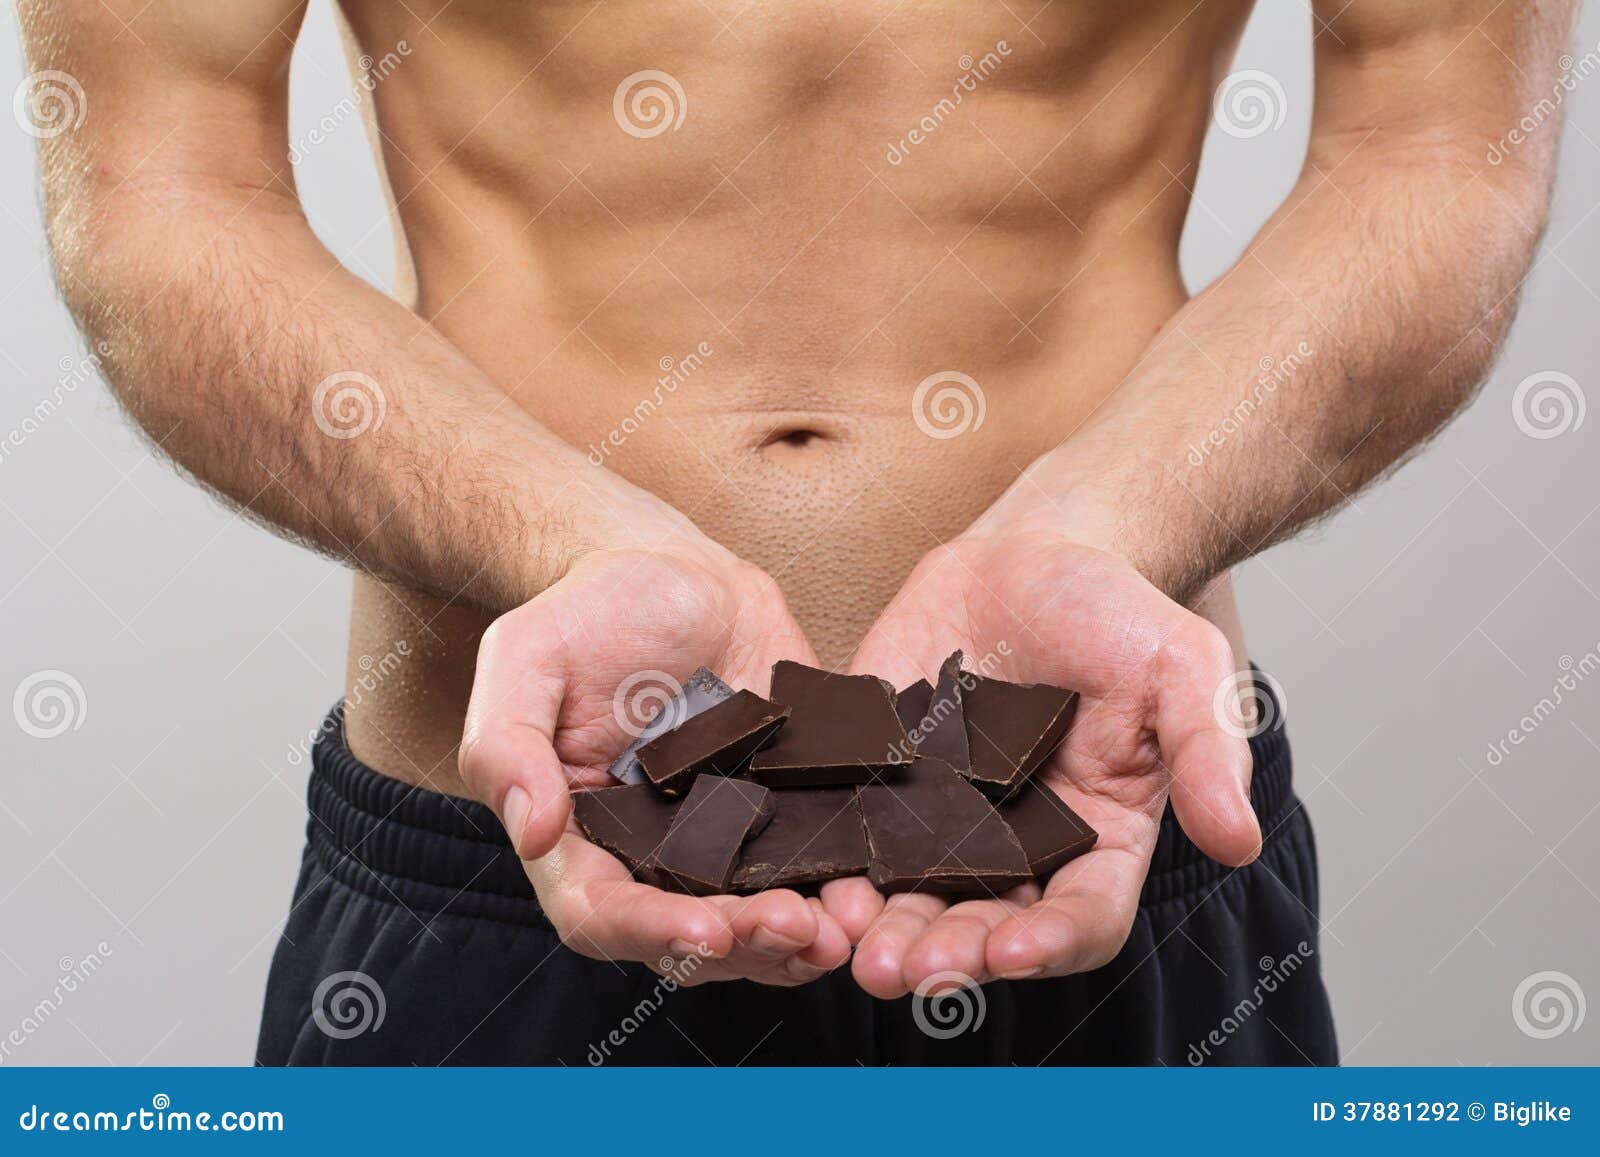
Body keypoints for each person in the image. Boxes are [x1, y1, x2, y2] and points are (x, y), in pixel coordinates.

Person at [21, 0, 1575, 1064]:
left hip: (1094, 822)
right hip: (525, 841)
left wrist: (1104, 525)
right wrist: (570, 544)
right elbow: (164, 191)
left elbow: (1434, 154)